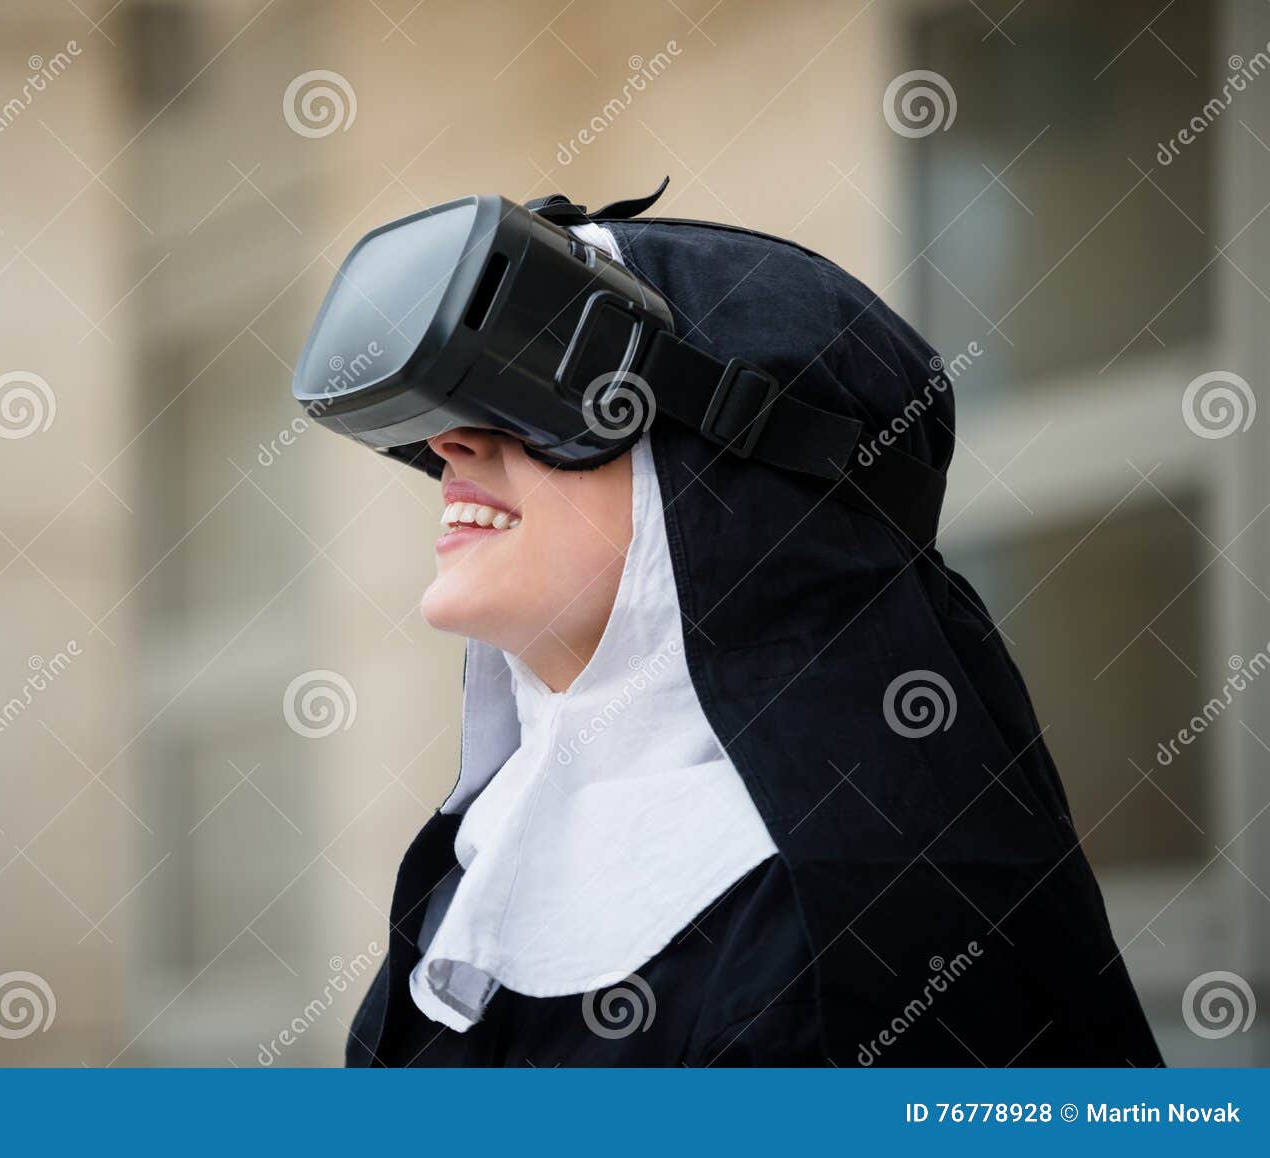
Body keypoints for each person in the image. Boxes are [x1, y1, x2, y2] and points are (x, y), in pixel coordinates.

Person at [311, 192, 1161, 1067]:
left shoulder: (870, 938)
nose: (451, 445)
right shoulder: (476, 881)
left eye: (544, 402)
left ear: (735, 484)